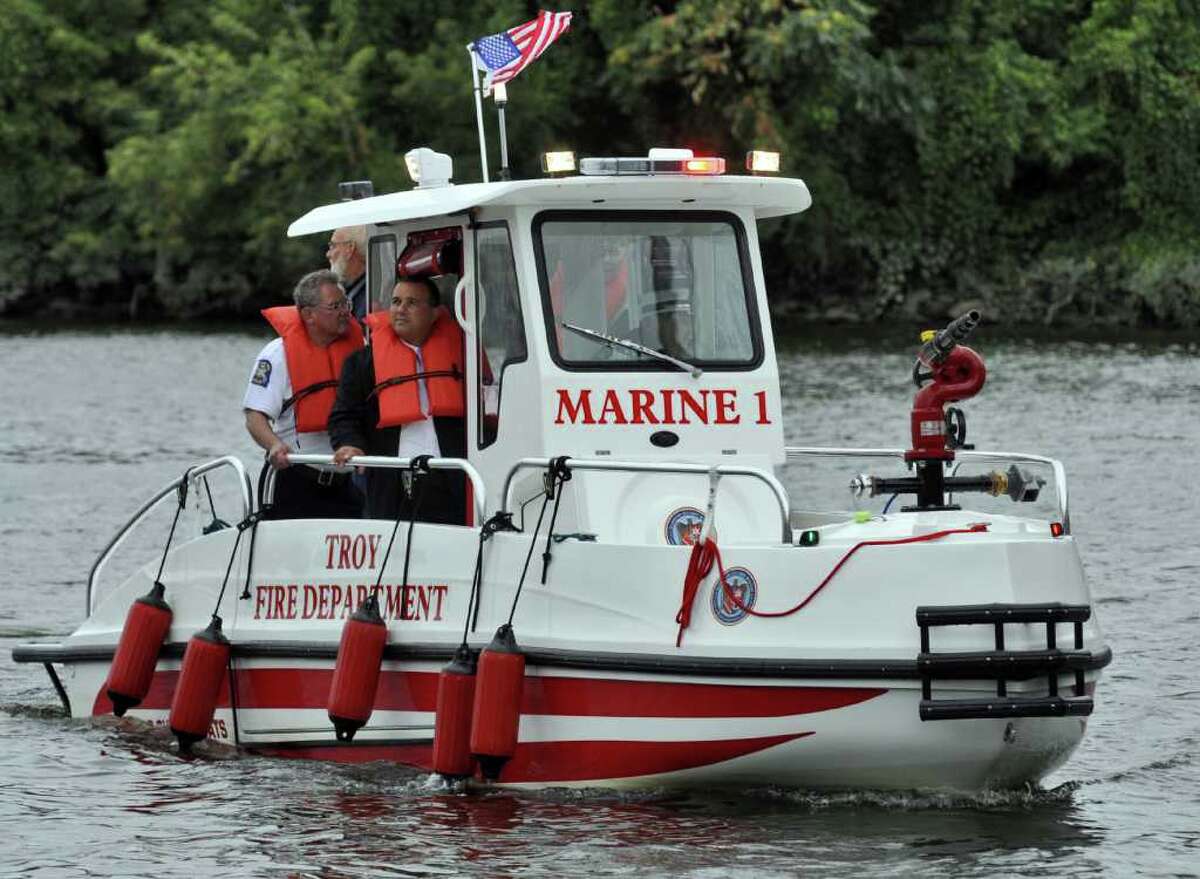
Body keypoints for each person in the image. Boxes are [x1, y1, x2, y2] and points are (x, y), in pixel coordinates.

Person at [329, 276, 467, 522]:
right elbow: (343, 416)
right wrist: (349, 443)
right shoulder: (361, 363)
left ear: (435, 313)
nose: (400, 309)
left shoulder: (465, 357)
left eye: (411, 302)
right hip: (392, 482)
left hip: (451, 477)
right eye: (395, 301)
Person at [244, 269, 365, 519]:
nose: (345, 312)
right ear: (308, 314)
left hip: (347, 485)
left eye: (347, 303)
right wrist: (274, 444)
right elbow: (255, 416)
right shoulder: (277, 355)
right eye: (335, 306)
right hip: (297, 483)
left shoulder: (361, 350)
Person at [327, 226, 368, 320]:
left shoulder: (368, 296)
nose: (328, 254)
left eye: (332, 246)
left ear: (350, 248)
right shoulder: (365, 287)